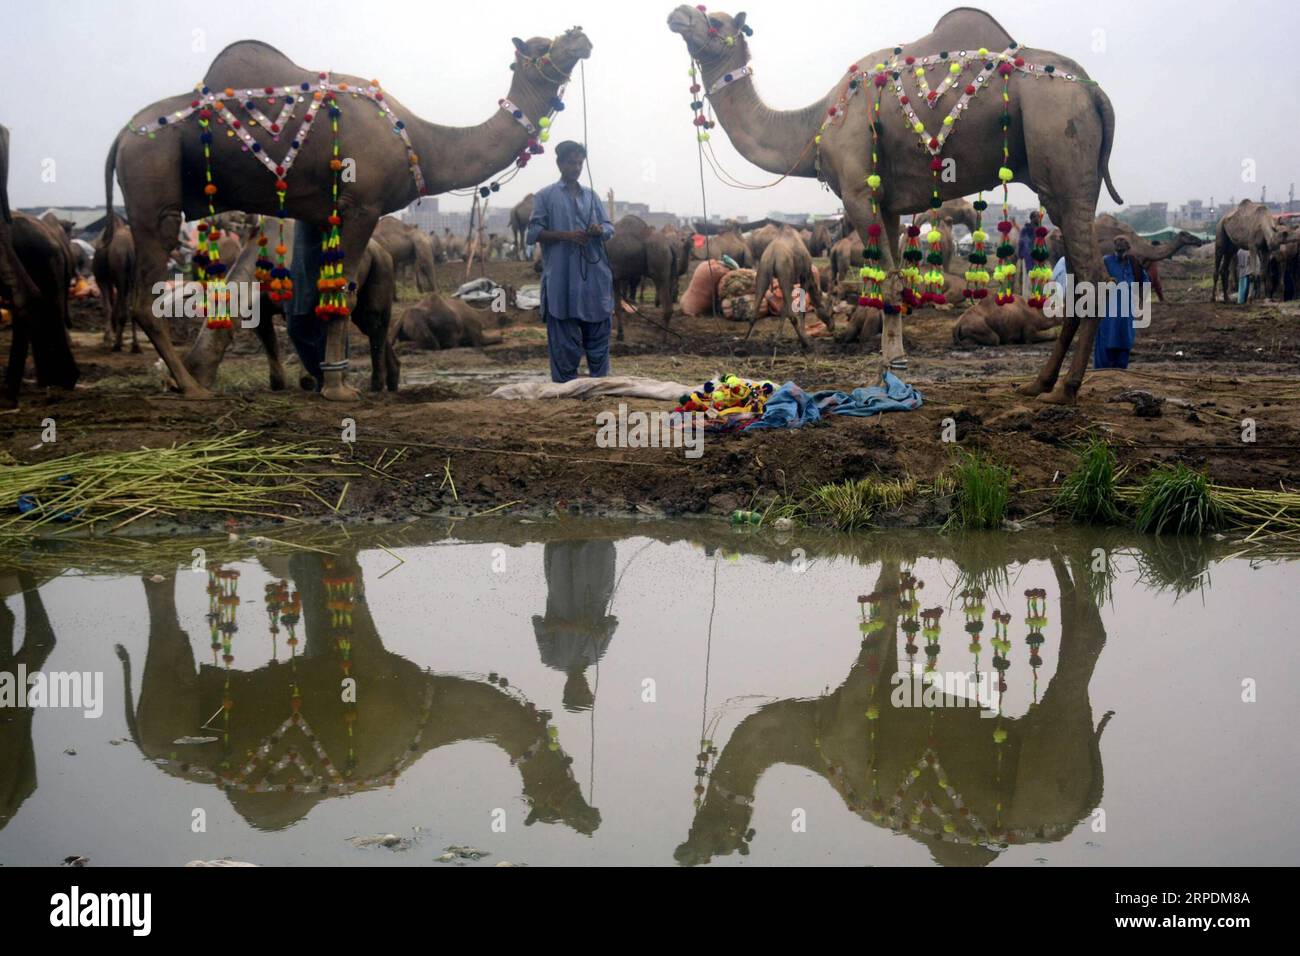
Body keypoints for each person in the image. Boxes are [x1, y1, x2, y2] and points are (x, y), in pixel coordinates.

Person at [526, 141, 615, 383]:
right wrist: (566, 236)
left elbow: (609, 227)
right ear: (559, 164)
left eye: (579, 164)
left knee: (598, 336)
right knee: (564, 341)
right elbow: (533, 233)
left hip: (594, 278)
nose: (576, 168)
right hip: (562, 279)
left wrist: (599, 229)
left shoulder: (592, 196)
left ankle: (600, 386)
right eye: (571, 163)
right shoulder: (545, 196)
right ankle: (565, 390)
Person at [1095, 235, 1146, 370]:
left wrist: (1140, 300)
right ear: (1114, 248)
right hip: (1108, 307)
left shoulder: (1134, 263)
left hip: (1127, 308)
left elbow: (1144, 281)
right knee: (1107, 335)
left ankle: (1120, 369)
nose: (1120, 250)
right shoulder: (1106, 261)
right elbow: (1097, 278)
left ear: (1128, 249)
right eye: (1118, 247)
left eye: (1123, 248)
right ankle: (1103, 370)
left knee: (1125, 336)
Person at [287, 220, 327, 390]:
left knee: (324, 328)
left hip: (325, 272)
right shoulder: (298, 209)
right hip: (298, 273)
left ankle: (329, 378)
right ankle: (318, 374)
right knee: (294, 328)